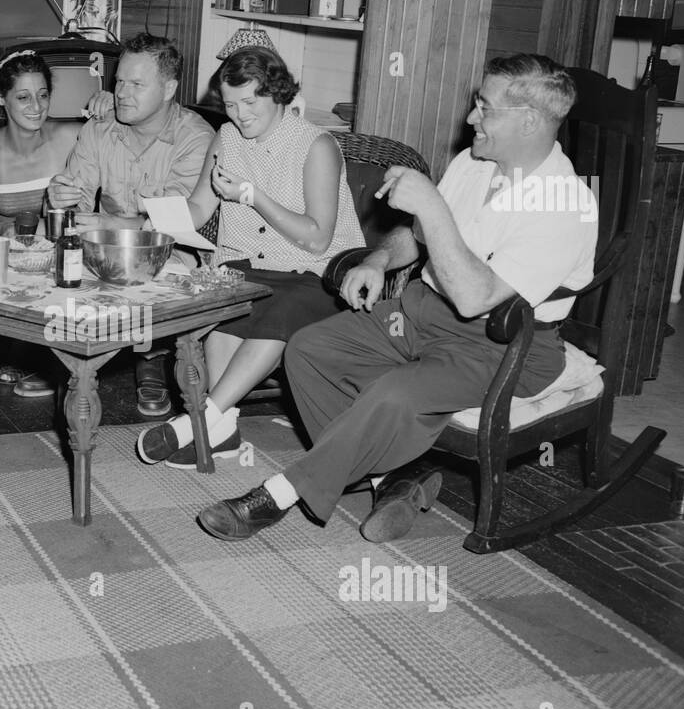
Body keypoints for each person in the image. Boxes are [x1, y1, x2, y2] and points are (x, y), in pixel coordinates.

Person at [196, 54, 598, 542]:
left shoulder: (565, 203)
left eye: (484, 107)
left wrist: (430, 202)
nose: (471, 118)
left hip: (504, 344)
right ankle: (392, 479)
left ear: (529, 121)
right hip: (422, 310)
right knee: (310, 349)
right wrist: (379, 261)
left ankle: (277, 494)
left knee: (395, 394)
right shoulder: (475, 163)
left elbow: (475, 299)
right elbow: (416, 237)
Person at [135, 46, 364, 467]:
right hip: (246, 267)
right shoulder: (226, 138)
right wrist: (161, 215)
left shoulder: (317, 146)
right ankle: (222, 432)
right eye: (229, 105)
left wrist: (254, 197)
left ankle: (198, 423)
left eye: (249, 102)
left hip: (313, 273)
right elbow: (200, 208)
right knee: (226, 316)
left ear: (277, 93)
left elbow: (316, 238)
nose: (238, 115)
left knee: (276, 312)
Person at [47, 32, 214, 418]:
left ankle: (149, 360)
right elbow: (77, 204)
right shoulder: (98, 130)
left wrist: (110, 224)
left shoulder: (195, 138)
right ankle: (58, 357)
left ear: (169, 88)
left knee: (163, 270)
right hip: (100, 247)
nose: (122, 92)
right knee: (56, 249)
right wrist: (61, 198)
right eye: (119, 81)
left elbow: (176, 222)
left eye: (137, 84)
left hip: (170, 252)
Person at [0, 51, 82, 397]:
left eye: (43, 95)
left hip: (61, 249)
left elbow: (124, 130)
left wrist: (107, 108)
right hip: (10, 251)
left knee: (69, 260)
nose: (36, 106)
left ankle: (49, 361)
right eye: (23, 96)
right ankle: (31, 353)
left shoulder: (70, 135)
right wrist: (5, 233)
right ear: (1, 98)